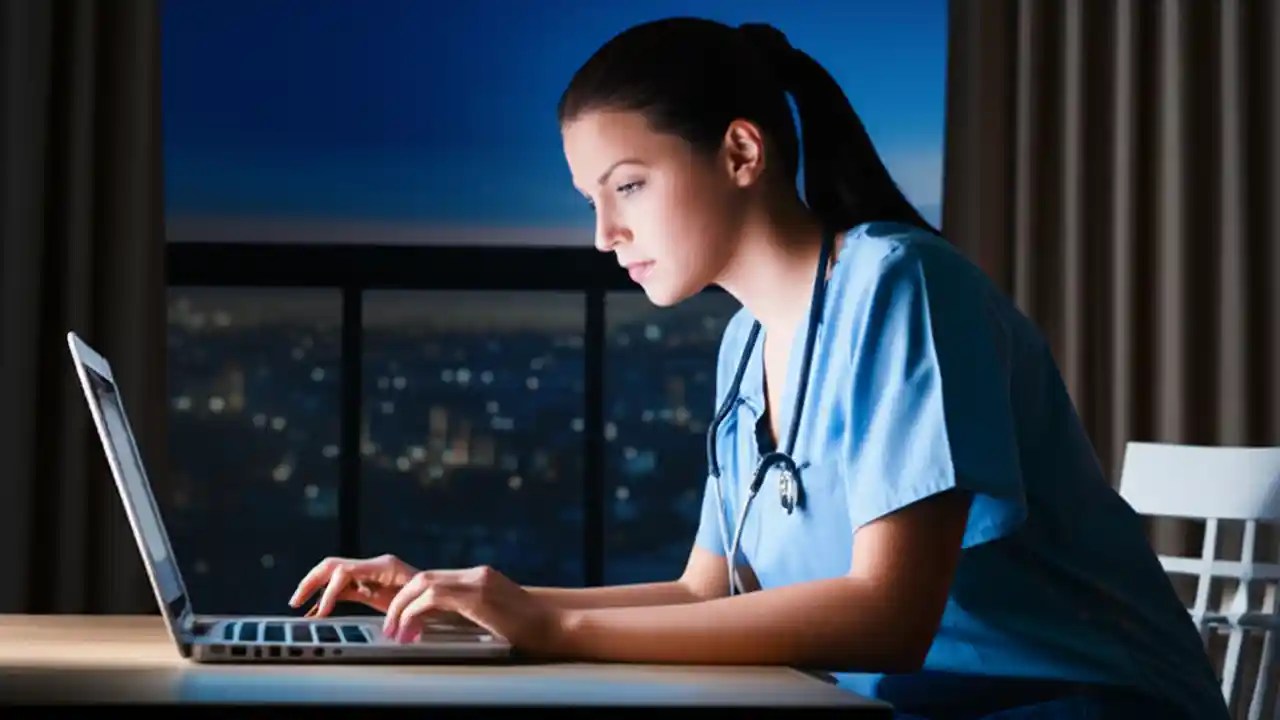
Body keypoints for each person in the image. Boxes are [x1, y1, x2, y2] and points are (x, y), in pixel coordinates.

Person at [288, 17, 1229, 720]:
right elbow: (710, 592)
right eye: (590, 201)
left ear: (742, 151)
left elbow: (889, 617)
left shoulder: (899, 285)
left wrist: (556, 630)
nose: (605, 235)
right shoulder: (746, 344)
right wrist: (490, 605)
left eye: (628, 187)